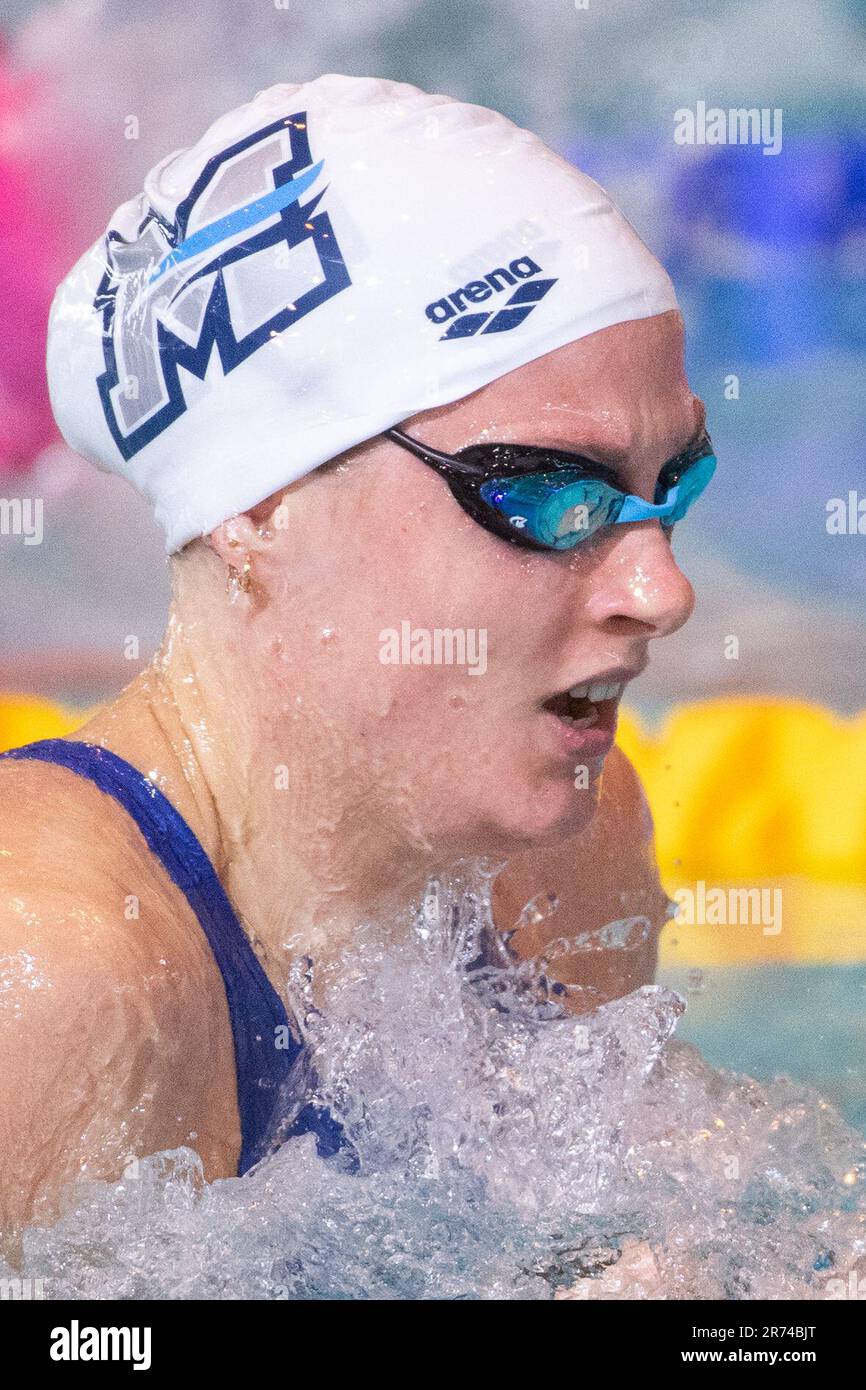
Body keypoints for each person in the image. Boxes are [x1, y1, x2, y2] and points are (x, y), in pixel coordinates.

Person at [0, 74, 713, 1234]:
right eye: (541, 493)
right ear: (258, 506)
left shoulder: (560, 859)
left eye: (670, 485)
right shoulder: (50, 977)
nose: (660, 590)